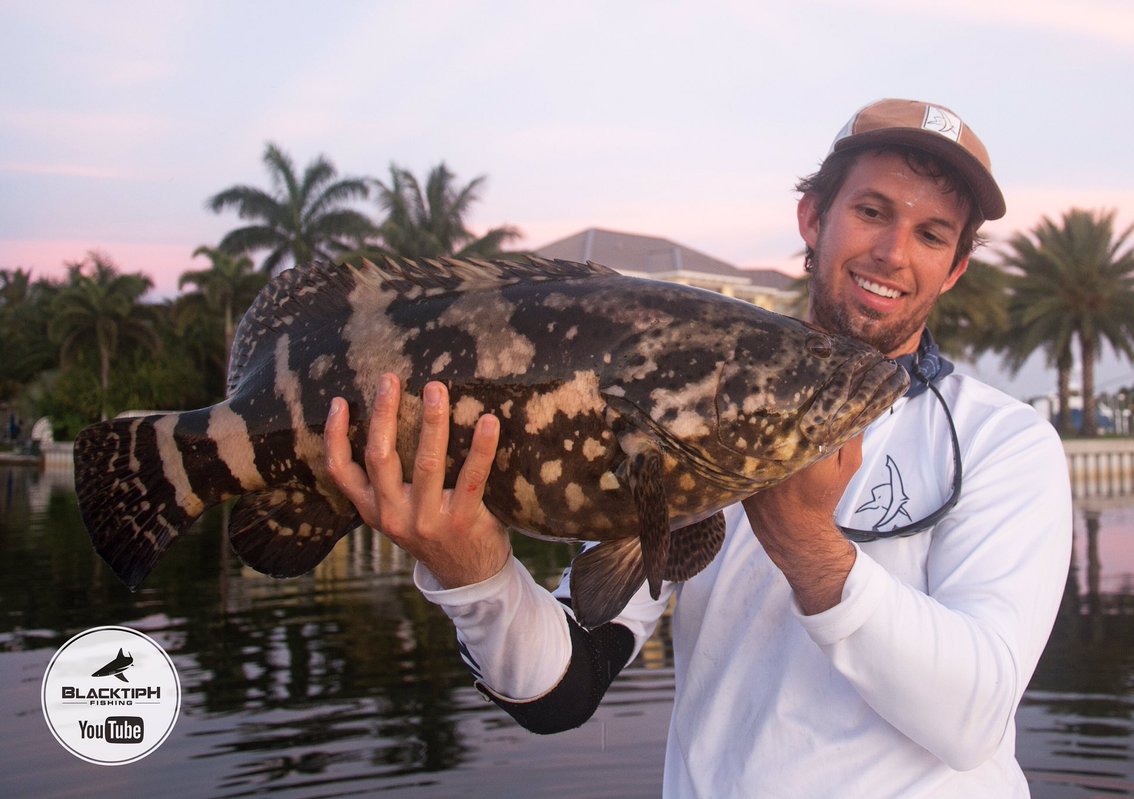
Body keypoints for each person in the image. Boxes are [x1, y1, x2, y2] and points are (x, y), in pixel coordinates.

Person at [324, 98, 1072, 797]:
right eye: (871, 211)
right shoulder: (695, 423)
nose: (892, 252)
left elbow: (973, 719)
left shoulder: (1005, 445)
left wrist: (810, 544)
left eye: (932, 233)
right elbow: (566, 687)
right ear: (814, 217)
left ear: (957, 266)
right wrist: (474, 575)